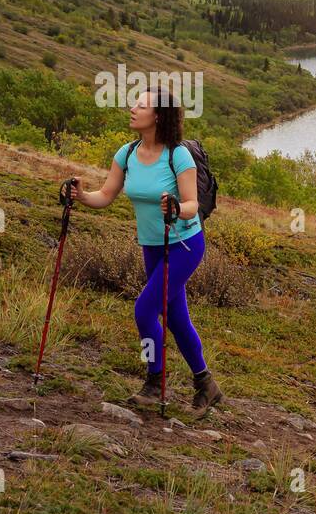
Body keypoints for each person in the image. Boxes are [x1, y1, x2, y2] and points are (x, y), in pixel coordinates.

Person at [65, 86, 223, 414]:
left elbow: (192, 204)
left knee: (144, 310)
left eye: (141, 105)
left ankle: (154, 383)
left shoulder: (177, 155)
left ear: (159, 116)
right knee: (177, 318)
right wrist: (80, 195)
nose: (133, 109)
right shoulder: (126, 153)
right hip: (152, 246)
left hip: (183, 244)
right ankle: (206, 384)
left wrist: (177, 209)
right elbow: (106, 195)